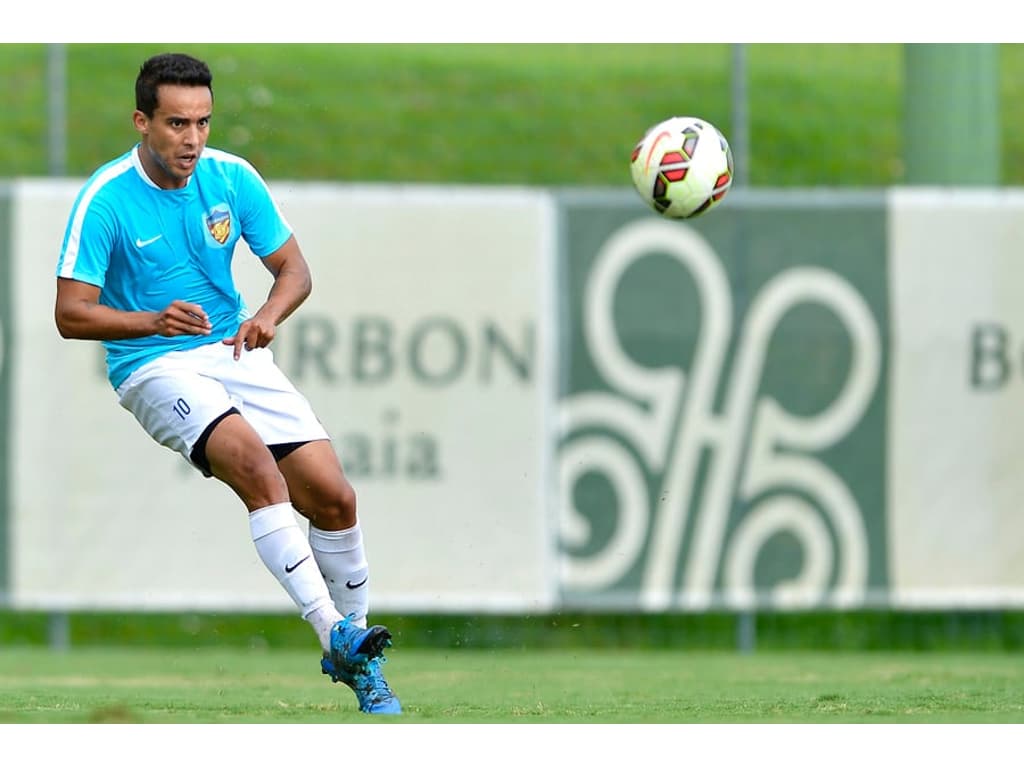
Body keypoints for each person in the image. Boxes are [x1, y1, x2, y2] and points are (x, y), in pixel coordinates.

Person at [53, 52, 401, 716]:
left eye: (203, 123)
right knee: (257, 471)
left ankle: (358, 656)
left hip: (233, 351)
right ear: (142, 121)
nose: (192, 139)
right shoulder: (106, 199)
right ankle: (334, 631)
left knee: (334, 498)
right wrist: (149, 320)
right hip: (151, 365)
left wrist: (268, 315)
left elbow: (294, 269)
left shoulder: (231, 178)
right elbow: (71, 313)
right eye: (177, 124)